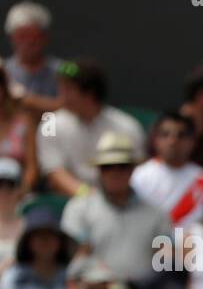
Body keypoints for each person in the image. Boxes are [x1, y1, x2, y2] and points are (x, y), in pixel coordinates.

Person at [58, 132, 172, 289]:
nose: (115, 172)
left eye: (122, 166)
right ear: (98, 170)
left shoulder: (156, 213)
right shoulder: (79, 209)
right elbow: (71, 262)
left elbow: (165, 264)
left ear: (132, 169)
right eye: (108, 167)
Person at [37, 59, 146, 196]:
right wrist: (89, 197)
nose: (62, 95)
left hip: (120, 200)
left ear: (90, 93)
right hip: (68, 201)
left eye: (69, 89)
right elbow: (55, 173)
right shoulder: (50, 125)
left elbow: (139, 172)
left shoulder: (127, 126)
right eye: (61, 88)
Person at [130, 110, 203, 231]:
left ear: (193, 141)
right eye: (165, 134)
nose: (172, 141)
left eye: (181, 135)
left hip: (191, 247)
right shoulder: (138, 176)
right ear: (155, 139)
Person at [4, 1, 62, 113]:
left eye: (34, 36)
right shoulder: (3, 71)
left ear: (45, 37)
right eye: (22, 36)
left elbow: (71, 108)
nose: (29, 42)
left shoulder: (65, 70)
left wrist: (22, 98)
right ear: (12, 37)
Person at [0, 68, 36, 196]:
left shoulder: (24, 122)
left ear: (4, 89)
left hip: (17, 194)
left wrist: (20, 193)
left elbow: (32, 167)